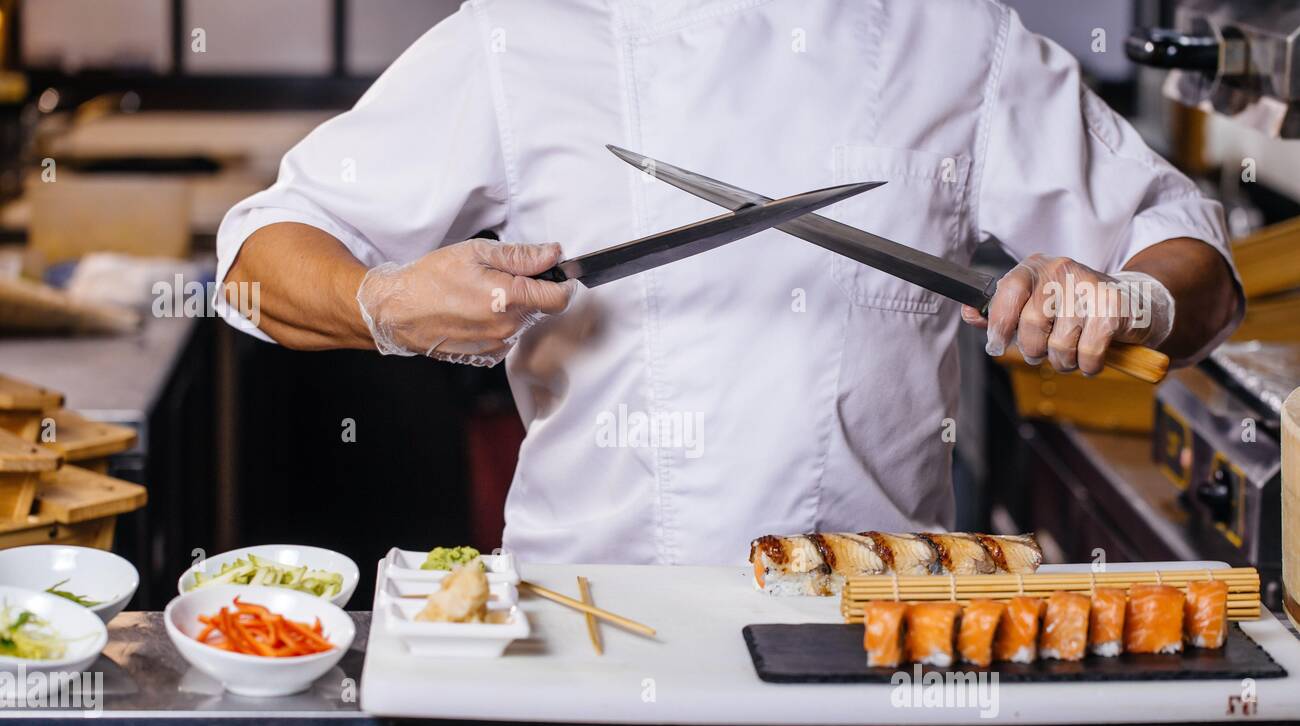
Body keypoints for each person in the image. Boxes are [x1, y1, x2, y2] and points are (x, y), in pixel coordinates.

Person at [216, 0, 1241, 565]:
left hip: (874, 638)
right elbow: (256, 253)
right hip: (585, 629)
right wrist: (385, 304)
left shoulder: (957, 39)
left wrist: (1127, 301)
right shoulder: (519, 37)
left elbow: (1196, 256)